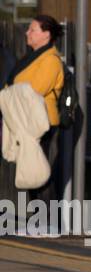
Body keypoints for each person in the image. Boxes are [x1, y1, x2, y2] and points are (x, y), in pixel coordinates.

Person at [6, 15, 66, 170]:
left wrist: (9, 94)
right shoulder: (31, 58)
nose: (27, 33)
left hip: (43, 125)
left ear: (46, 35)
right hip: (27, 123)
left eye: (32, 30)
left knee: (40, 177)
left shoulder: (50, 60)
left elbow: (36, 90)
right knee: (30, 177)